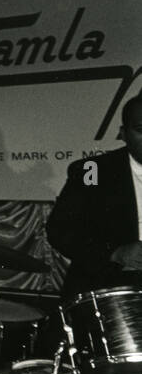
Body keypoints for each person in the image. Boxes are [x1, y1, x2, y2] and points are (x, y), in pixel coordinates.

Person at [47, 94, 142, 299]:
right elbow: (60, 230)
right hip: (105, 289)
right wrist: (116, 253)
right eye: (141, 130)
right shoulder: (93, 170)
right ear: (123, 134)